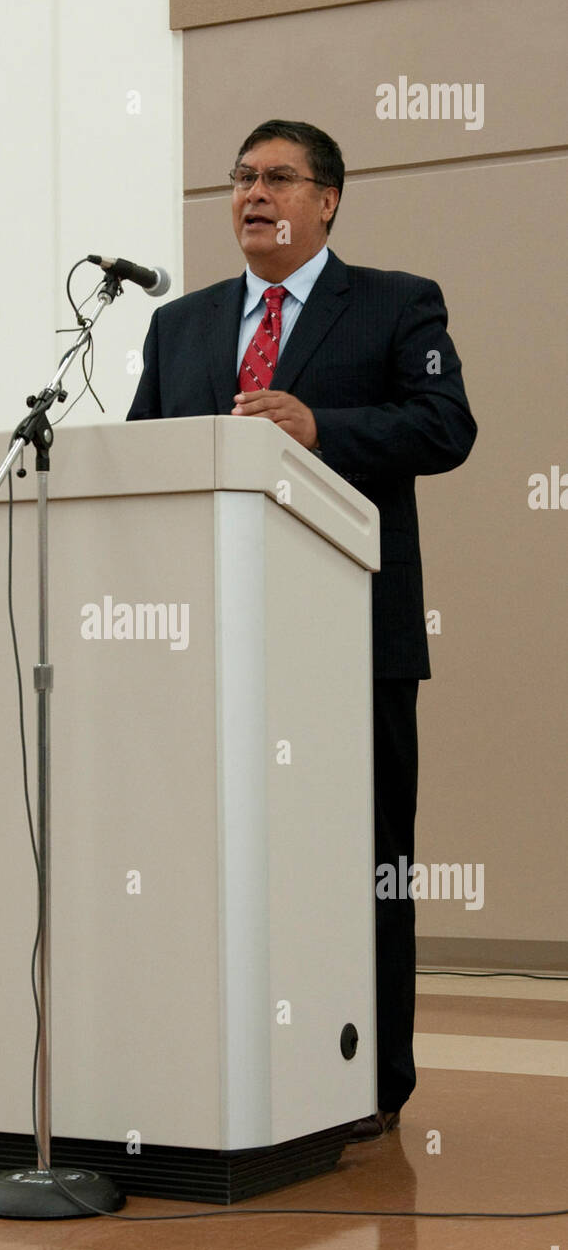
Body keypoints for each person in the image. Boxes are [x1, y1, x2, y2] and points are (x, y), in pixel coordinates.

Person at [127, 119, 477, 1140]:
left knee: (359, 859)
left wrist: (319, 428)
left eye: (277, 178)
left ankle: (371, 1079)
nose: (252, 193)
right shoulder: (179, 327)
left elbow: (443, 426)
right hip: (210, 648)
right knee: (220, 858)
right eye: (239, 177)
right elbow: (150, 459)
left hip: (348, 640)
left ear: (326, 200)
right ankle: (224, 1055)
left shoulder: (394, 303)